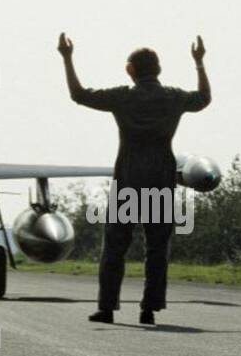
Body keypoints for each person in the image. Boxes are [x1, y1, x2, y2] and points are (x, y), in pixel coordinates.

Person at [58, 33, 211, 325]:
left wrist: (67, 58)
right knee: (156, 248)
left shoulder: (123, 97)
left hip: (129, 178)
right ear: (159, 71)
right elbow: (203, 98)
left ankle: (106, 308)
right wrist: (199, 63)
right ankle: (149, 308)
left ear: (131, 71)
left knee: (115, 246)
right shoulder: (173, 98)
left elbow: (79, 95)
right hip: (161, 179)